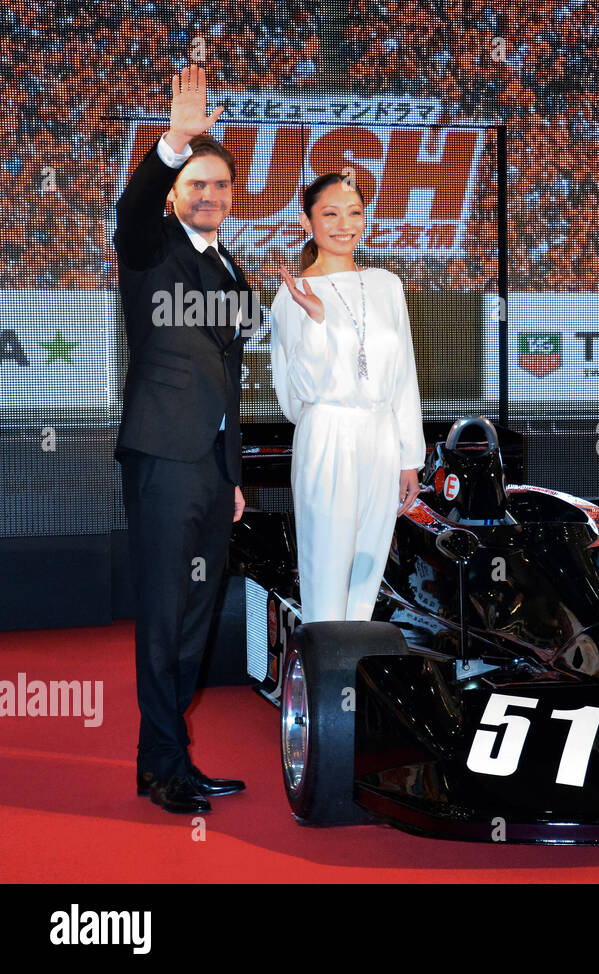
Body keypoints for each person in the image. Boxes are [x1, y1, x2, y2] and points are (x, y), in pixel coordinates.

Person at [115, 67, 249, 815]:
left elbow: (227, 377)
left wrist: (232, 473)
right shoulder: (151, 245)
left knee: (195, 615)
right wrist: (173, 141)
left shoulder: (231, 268)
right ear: (174, 193)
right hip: (162, 456)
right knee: (165, 615)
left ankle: (163, 761)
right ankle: (167, 769)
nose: (209, 195)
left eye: (220, 185)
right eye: (196, 184)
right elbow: (132, 208)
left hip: (209, 467)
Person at [272, 173, 426, 623]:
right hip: (327, 434)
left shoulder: (387, 284)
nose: (344, 224)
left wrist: (409, 457)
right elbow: (297, 395)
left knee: (366, 571)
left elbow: (404, 376)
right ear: (307, 222)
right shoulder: (294, 293)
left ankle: (354, 662)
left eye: (354, 212)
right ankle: (326, 661)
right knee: (326, 569)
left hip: (381, 437)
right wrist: (316, 322)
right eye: (330, 214)